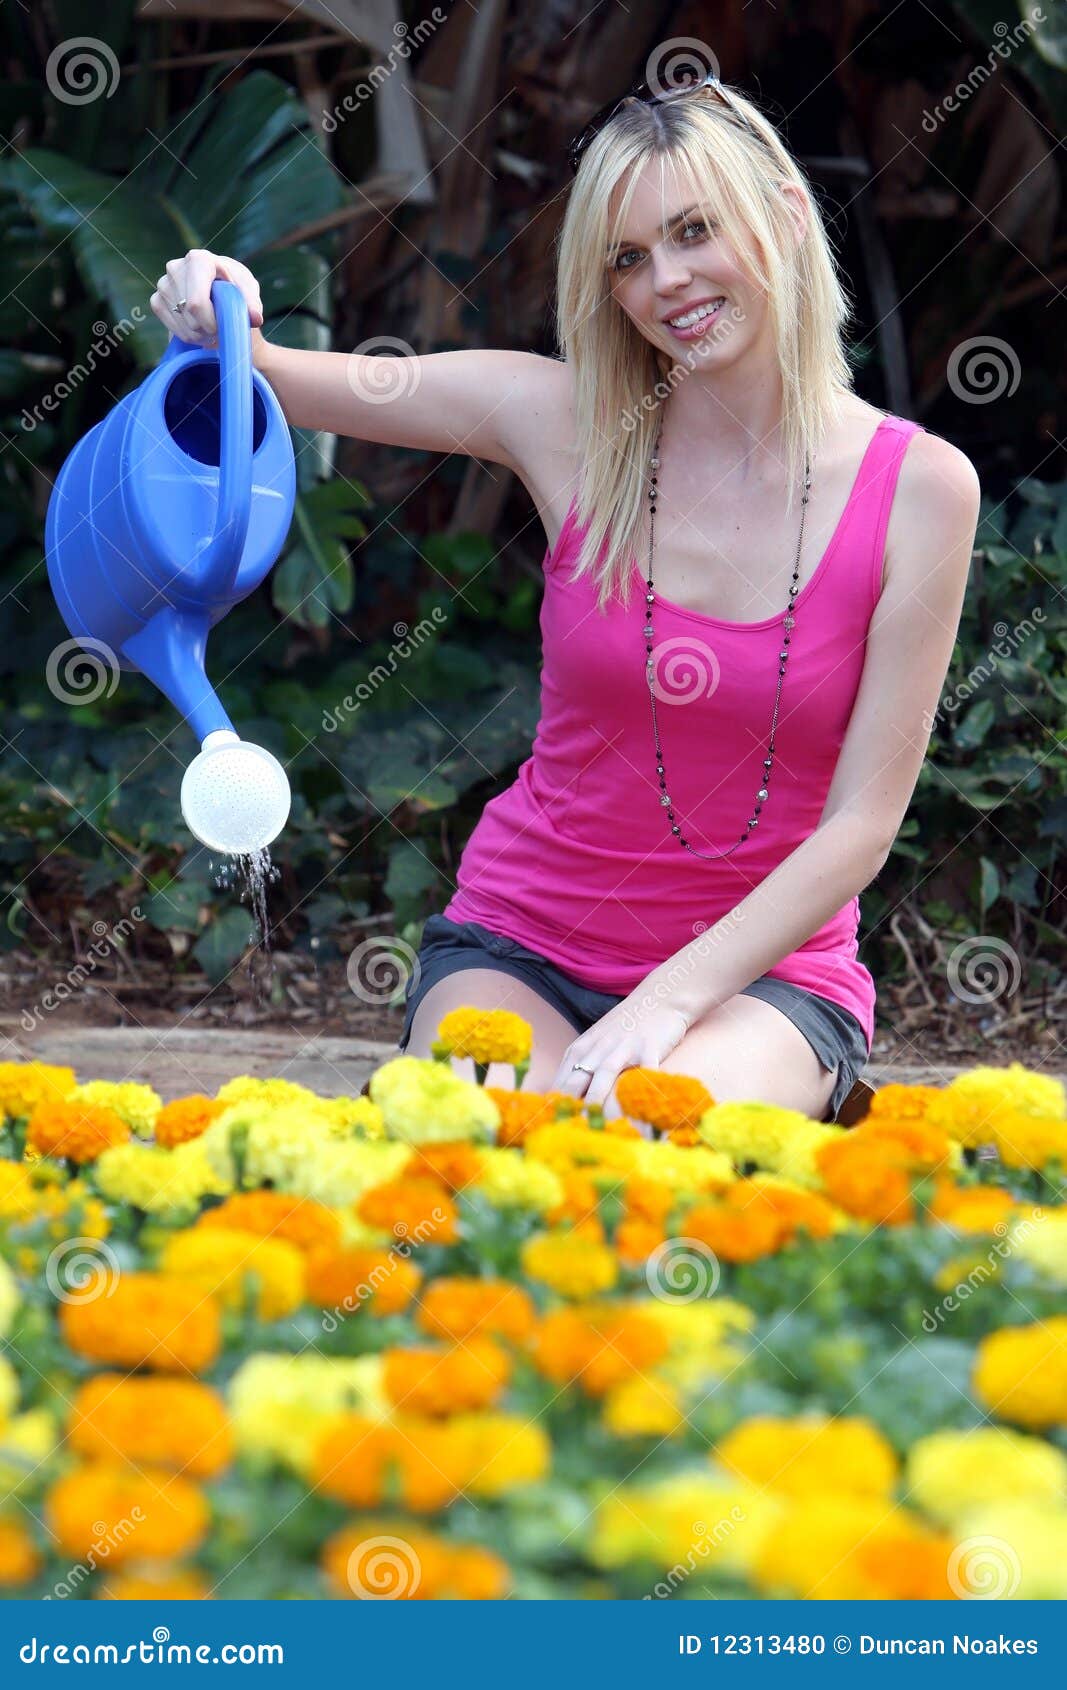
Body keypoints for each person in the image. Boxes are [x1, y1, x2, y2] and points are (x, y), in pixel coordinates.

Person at [149, 73, 980, 1125]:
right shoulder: (565, 422)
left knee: (644, 1132)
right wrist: (210, 293)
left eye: (692, 231)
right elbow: (261, 373)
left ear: (781, 210)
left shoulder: (920, 490)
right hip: (523, 941)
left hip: (760, 985)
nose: (666, 281)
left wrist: (664, 1003)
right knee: (477, 1148)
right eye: (627, 259)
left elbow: (862, 823)